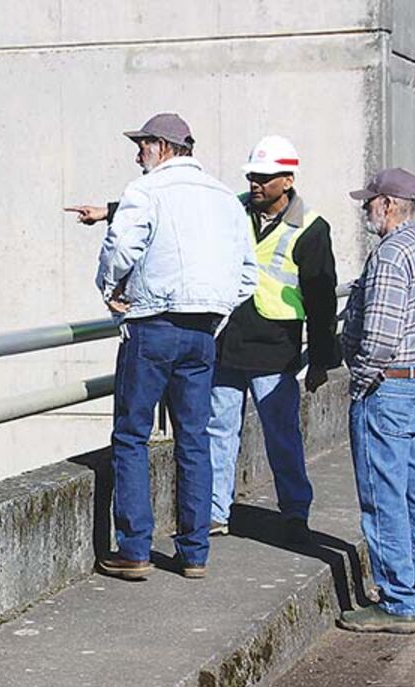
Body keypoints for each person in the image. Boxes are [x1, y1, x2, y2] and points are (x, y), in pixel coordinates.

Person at [88, 113, 257, 580]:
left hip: (152, 324)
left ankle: (135, 548)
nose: (136, 154)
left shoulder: (145, 191)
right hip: (203, 330)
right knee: (194, 438)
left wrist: (110, 291)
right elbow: (248, 273)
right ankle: (194, 552)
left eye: (142, 145)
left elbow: (121, 248)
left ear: (162, 147)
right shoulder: (226, 198)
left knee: (131, 435)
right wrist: (217, 310)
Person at [337, 167, 415, 634]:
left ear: (387, 205)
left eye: (370, 202)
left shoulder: (390, 255)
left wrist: (362, 378)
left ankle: (397, 601)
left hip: (388, 388)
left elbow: (380, 333)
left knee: (382, 496)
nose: (366, 209)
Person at [207, 135, 338, 540]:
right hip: (228, 339)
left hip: (275, 347)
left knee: (281, 433)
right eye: (252, 176)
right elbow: (179, 210)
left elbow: (322, 298)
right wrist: (110, 212)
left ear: (287, 179)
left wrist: (319, 360)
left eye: (264, 177)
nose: (256, 184)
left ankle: (295, 511)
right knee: (218, 429)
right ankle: (215, 512)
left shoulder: (311, 228)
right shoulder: (232, 210)